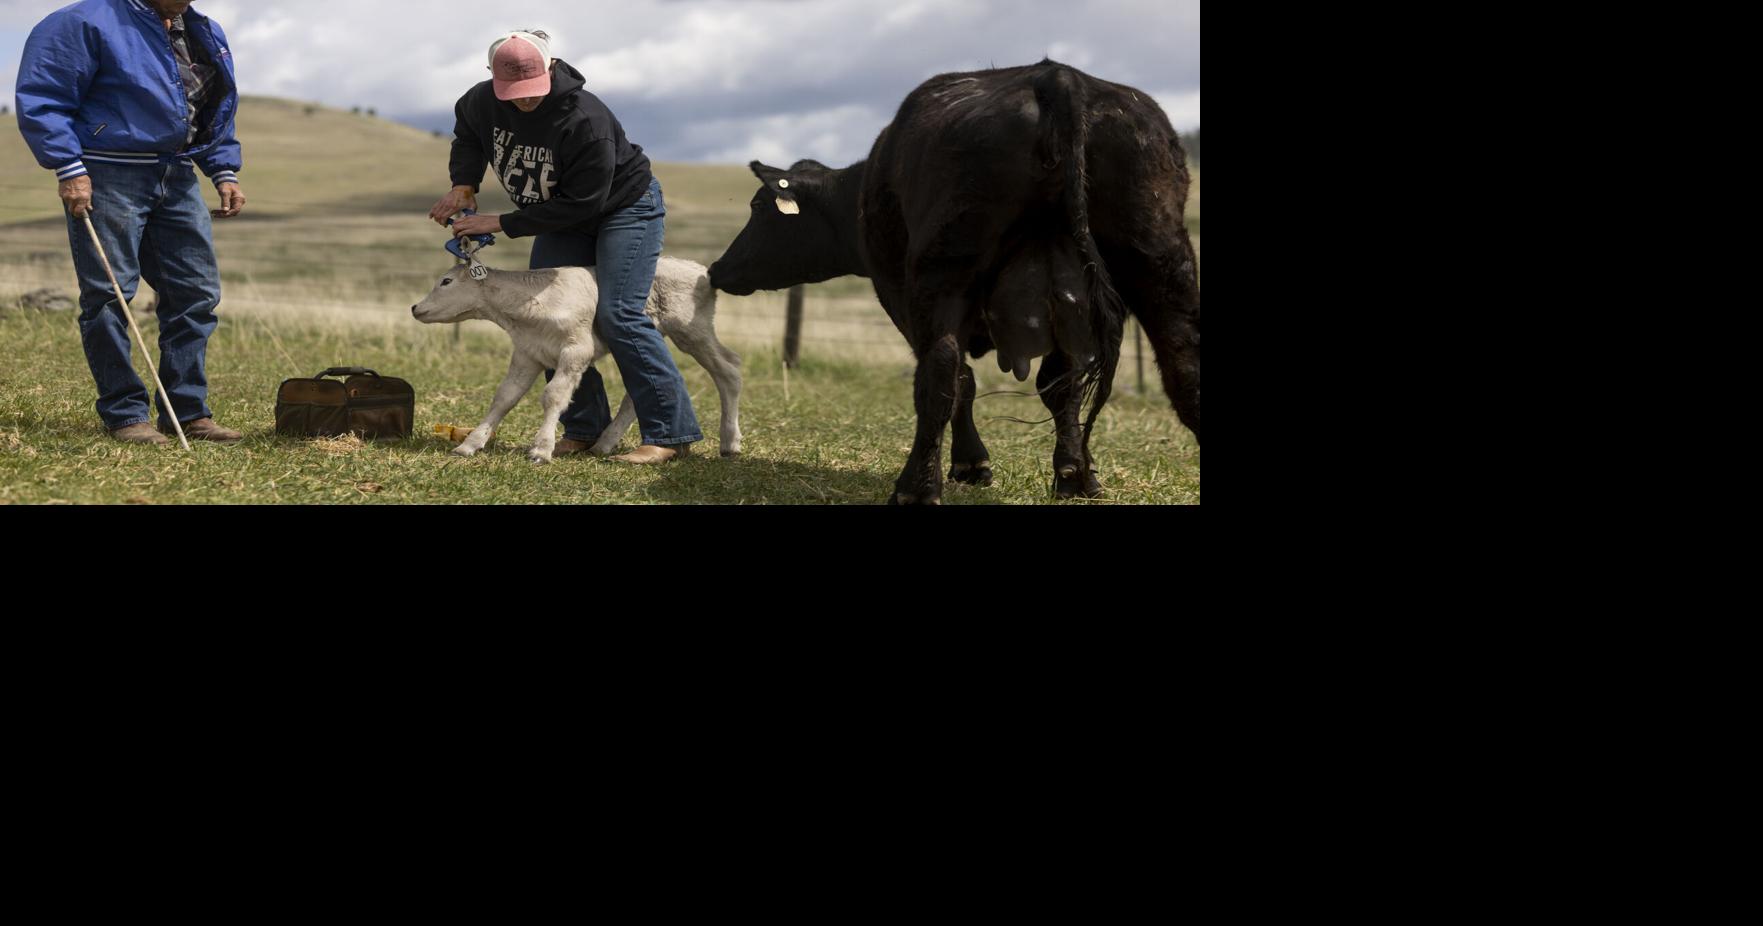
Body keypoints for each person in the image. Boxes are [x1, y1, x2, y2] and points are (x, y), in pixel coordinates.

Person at [432, 30, 700, 464]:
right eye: (514, 94)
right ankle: (583, 428)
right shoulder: (481, 101)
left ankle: (669, 435)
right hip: (558, 214)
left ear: (550, 68)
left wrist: (501, 222)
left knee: (620, 313)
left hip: (623, 210)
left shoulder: (586, 120)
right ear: (493, 79)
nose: (525, 101)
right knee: (547, 316)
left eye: (533, 91)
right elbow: (468, 135)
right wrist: (464, 184)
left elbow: (585, 202)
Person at [14, 0, 246, 444]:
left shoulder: (202, 29)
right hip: (106, 170)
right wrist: (68, 167)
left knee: (195, 293)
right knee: (109, 294)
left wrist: (222, 169)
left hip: (175, 171)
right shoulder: (81, 22)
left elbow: (212, 104)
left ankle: (188, 412)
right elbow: (44, 96)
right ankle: (125, 415)